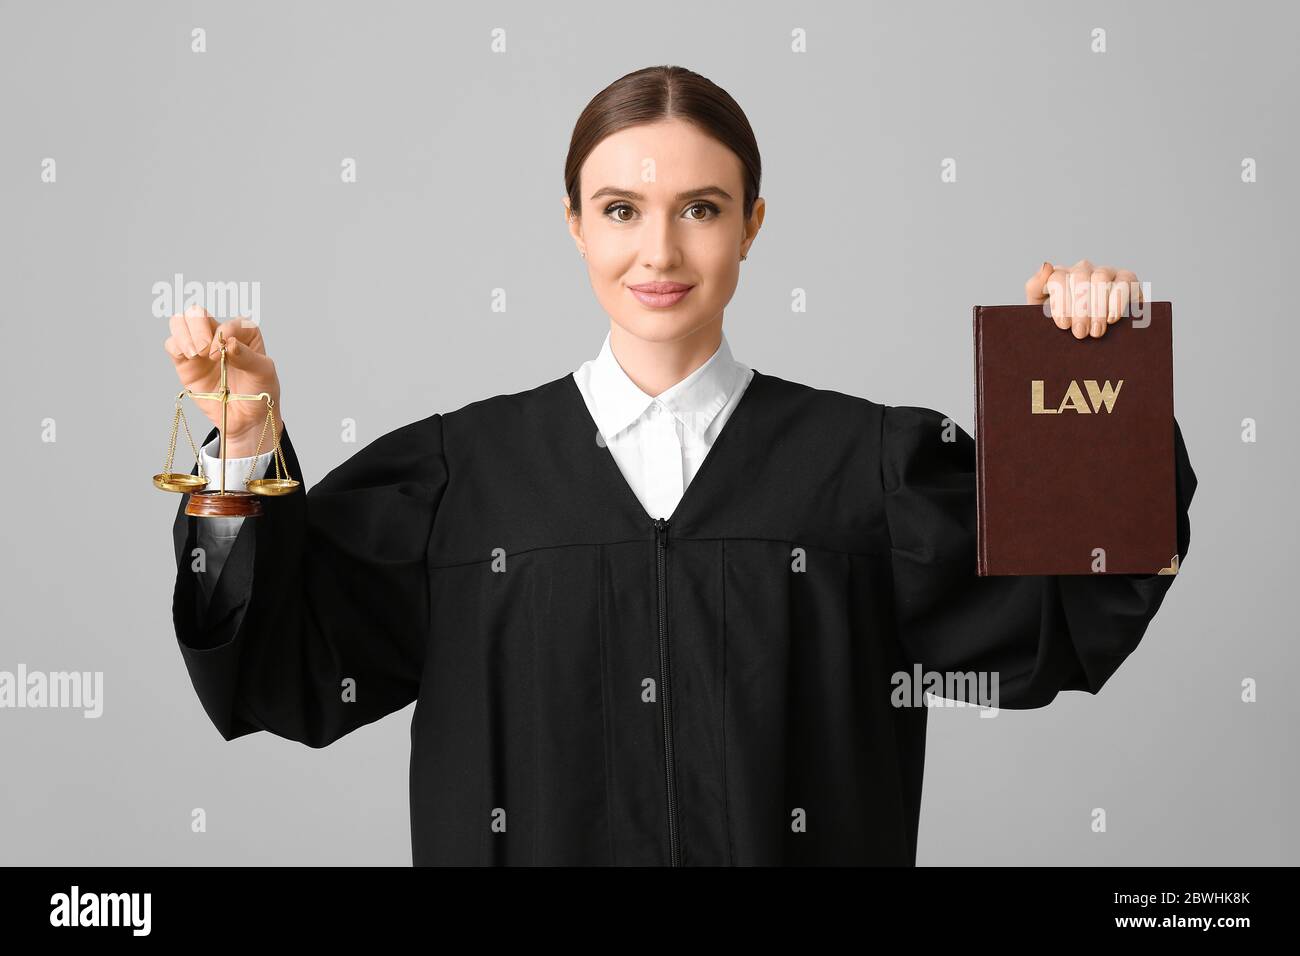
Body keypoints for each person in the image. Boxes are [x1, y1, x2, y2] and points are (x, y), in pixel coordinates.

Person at [163, 65, 1196, 866]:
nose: (657, 251)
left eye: (701, 207)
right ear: (573, 225)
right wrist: (244, 440)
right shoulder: (455, 480)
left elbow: (1061, 614)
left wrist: (1092, 380)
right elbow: (281, 671)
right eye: (619, 209)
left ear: (751, 223)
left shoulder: (869, 470)